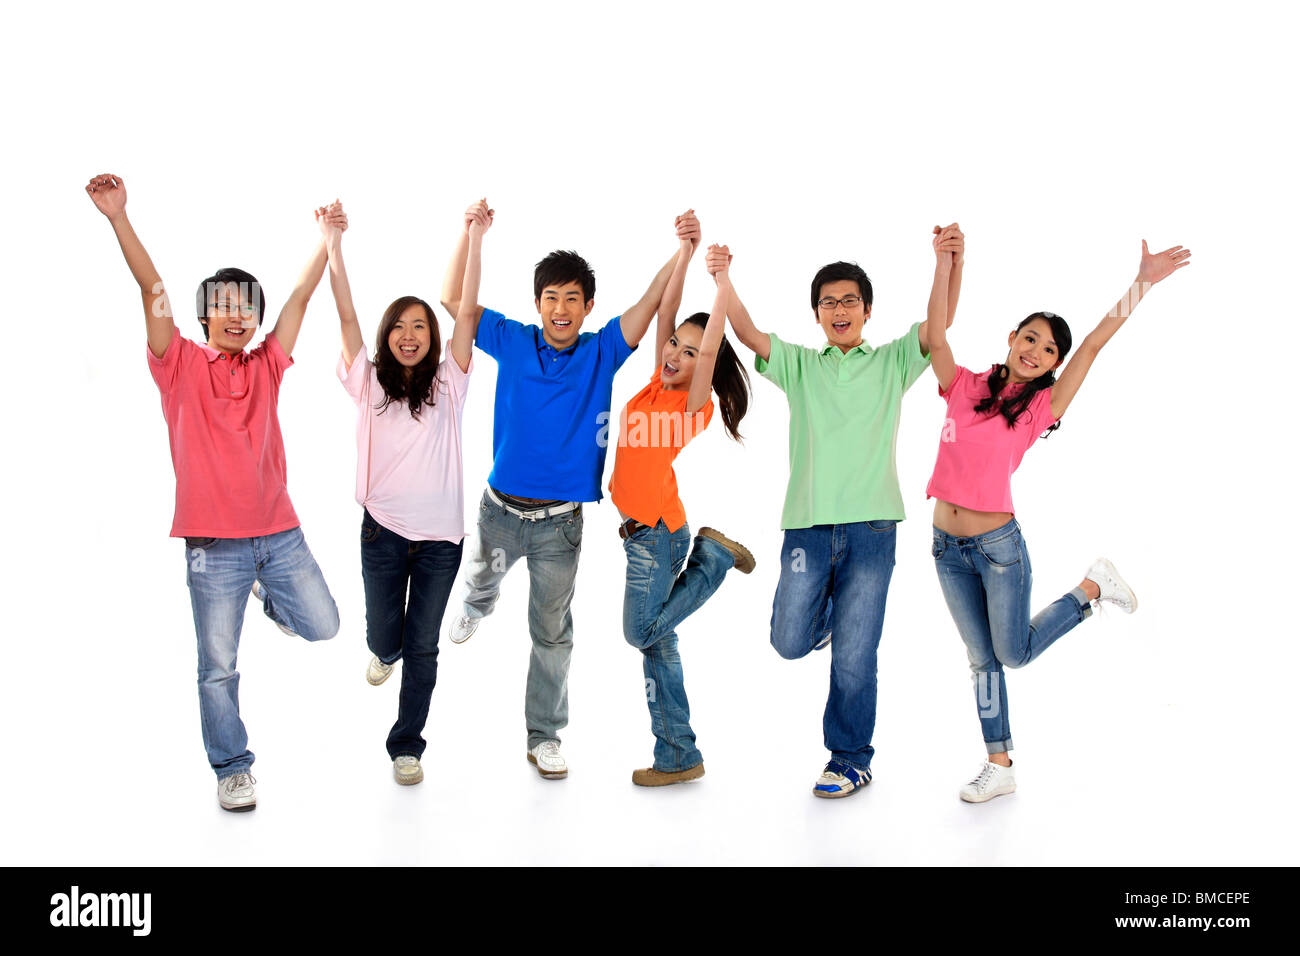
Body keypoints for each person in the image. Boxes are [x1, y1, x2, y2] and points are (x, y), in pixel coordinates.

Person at [85, 173, 342, 812]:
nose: (238, 315)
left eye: (246, 307)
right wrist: (119, 217)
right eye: (224, 306)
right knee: (218, 667)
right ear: (204, 317)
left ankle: (272, 598)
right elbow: (152, 289)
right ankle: (232, 766)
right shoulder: (178, 364)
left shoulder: (267, 366)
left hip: (278, 533)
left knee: (324, 624)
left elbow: (301, 301)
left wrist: (325, 240)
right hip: (212, 547)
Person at [923, 231, 1191, 803]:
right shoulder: (963, 387)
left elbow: (1092, 345)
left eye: (1048, 350)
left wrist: (1140, 283)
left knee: (1012, 653)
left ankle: (1091, 588)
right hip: (946, 548)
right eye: (1031, 339)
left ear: (1053, 365)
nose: (1037, 352)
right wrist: (947, 264)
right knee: (981, 659)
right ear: (1013, 338)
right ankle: (999, 764)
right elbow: (934, 334)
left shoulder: (1041, 409)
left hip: (998, 549)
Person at [710, 226, 962, 798]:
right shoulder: (801, 365)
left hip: (873, 527)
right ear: (817, 314)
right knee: (787, 639)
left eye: (850, 300)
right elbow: (746, 331)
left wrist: (947, 262)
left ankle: (849, 758)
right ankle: (824, 623)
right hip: (807, 525)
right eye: (829, 302)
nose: (840, 309)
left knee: (857, 653)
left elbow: (939, 327)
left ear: (867, 310)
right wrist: (724, 279)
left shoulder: (893, 362)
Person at [446, 211, 699, 780]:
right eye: (551, 297)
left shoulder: (601, 351)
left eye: (573, 298)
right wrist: (473, 237)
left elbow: (651, 299)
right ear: (538, 304)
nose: (561, 308)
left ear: (588, 307)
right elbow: (452, 300)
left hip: (561, 526)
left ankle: (544, 736)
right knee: (482, 580)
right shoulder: (511, 339)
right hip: (498, 511)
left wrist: (681, 253)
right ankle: (476, 603)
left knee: (552, 631)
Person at [327, 199, 493, 786]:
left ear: (432, 337)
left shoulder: (450, 383)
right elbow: (345, 312)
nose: (409, 335)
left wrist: (472, 236)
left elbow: (467, 312)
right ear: (386, 336)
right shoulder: (367, 382)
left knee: (424, 646)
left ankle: (407, 746)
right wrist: (333, 243)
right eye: (399, 325)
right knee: (385, 635)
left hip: (441, 543)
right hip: (383, 533)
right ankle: (382, 651)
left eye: (420, 325)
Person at [609, 220, 755, 787]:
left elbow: (713, 341)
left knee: (638, 633)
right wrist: (685, 253)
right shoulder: (654, 383)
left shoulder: (694, 404)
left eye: (691, 353)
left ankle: (713, 559)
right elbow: (667, 310)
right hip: (642, 530)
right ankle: (678, 754)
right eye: (674, 345)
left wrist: (721, 283)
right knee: (658, 644)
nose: (674, 353)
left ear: (706, 368)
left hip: (658, 534)